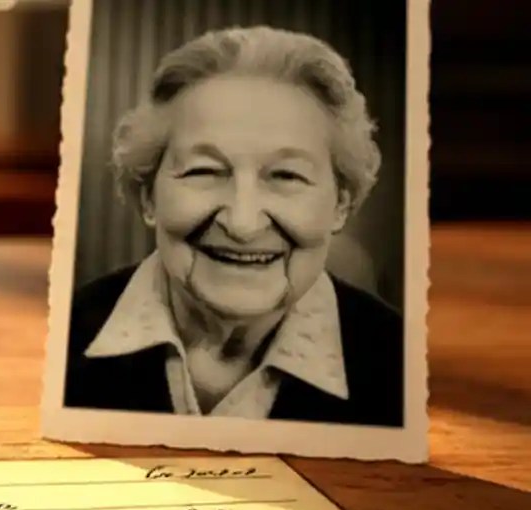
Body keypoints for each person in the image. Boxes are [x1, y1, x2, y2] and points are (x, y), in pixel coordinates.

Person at [64, 25, 403, 427]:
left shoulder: (401, 364)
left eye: (286, 176)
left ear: (340, 205)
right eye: (204, 171)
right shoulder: (61, 344)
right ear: (148, 197)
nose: (242, 224)